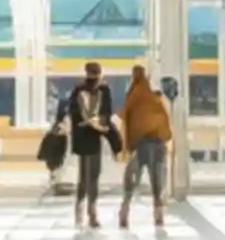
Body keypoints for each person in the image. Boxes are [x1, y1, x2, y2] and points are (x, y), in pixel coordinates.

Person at [118, 65, 172, 230]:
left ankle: (124, 212)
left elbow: (126, 119)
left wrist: (127, 145)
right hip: (159, 144)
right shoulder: (156, 97)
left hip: (141, 145)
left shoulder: (133, 95)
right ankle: (159, 215)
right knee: (158, 181)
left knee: (132, 179)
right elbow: (164, 120)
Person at [64, 62, 114, 229]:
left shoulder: (78, 89)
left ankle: (80, 207)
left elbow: (71, 112)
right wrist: (99, 123)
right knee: (93, 174)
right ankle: (91, 212)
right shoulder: (103, 90)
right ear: (100, 73)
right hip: (92, 136)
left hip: (82, 137)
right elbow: (107, 112)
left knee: (85, 175)